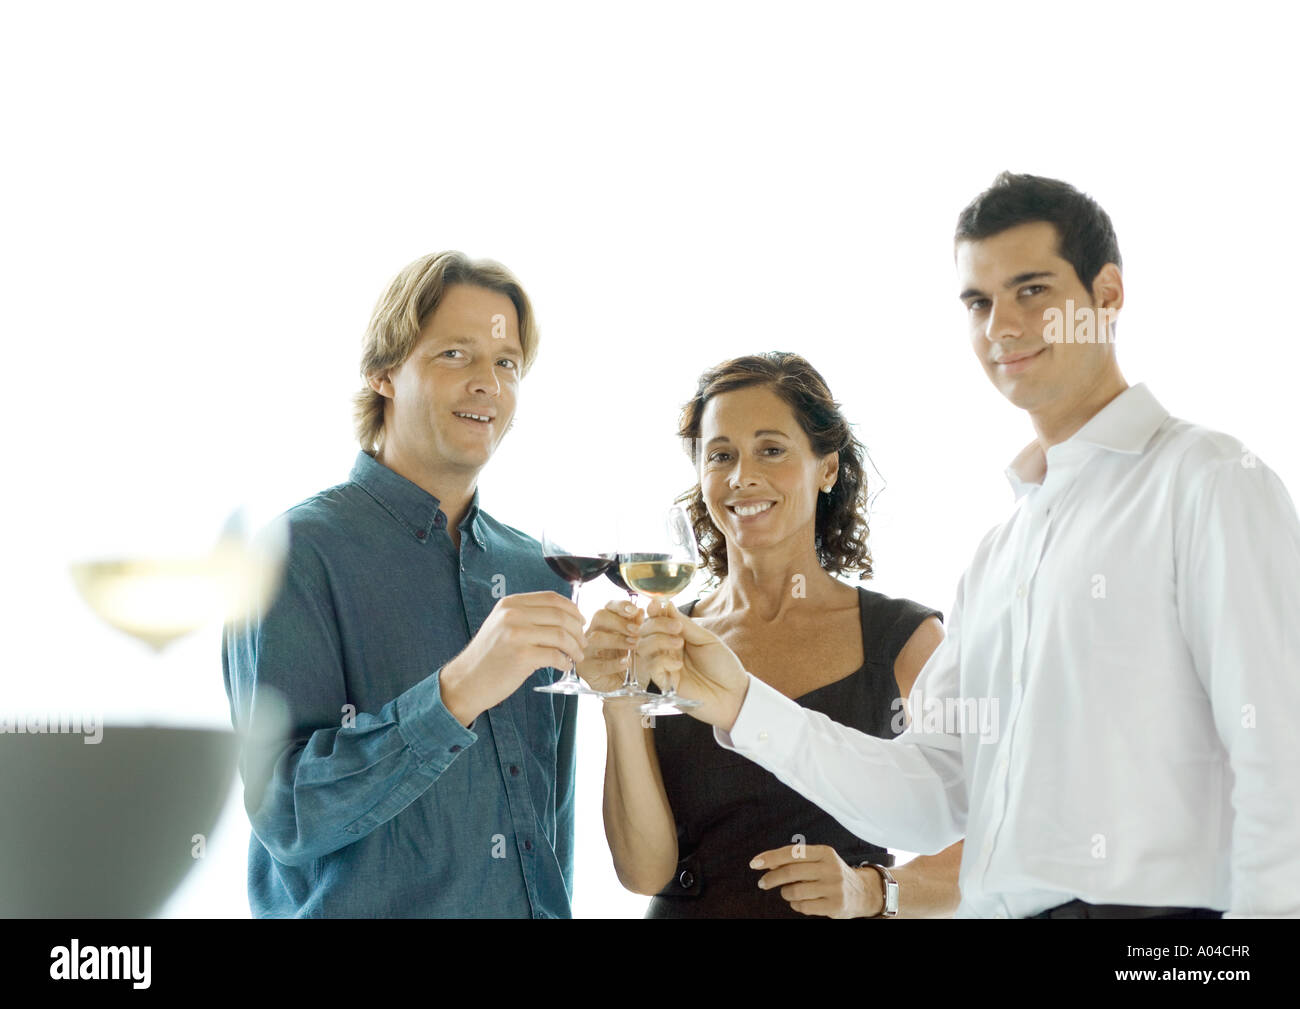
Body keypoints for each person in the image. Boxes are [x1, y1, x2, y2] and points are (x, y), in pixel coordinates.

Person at [635, 173, 1300, 919]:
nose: (1002, 327)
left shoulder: (1207, 483)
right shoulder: (1000, 556)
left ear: (1107, 295)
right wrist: (740, 700)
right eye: (979, 302)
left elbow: (1282, 761)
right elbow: (932, 794)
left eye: (1032, 290)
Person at [222, 251, 588, 918]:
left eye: (507, 362)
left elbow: (550, 823)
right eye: (456, 354)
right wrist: (455, 693)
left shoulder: (542, 572)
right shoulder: (290, 555)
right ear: (383, 372)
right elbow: (286, 812)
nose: (489, 384)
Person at [579, 353, 962, 917]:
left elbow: (992, 842)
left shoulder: (903, 639)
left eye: (771, 449)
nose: (742, 476)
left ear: (826, 468)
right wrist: (618, 698)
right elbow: (643, 873)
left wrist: (875, 890)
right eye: (721, 455)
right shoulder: (662, 638)